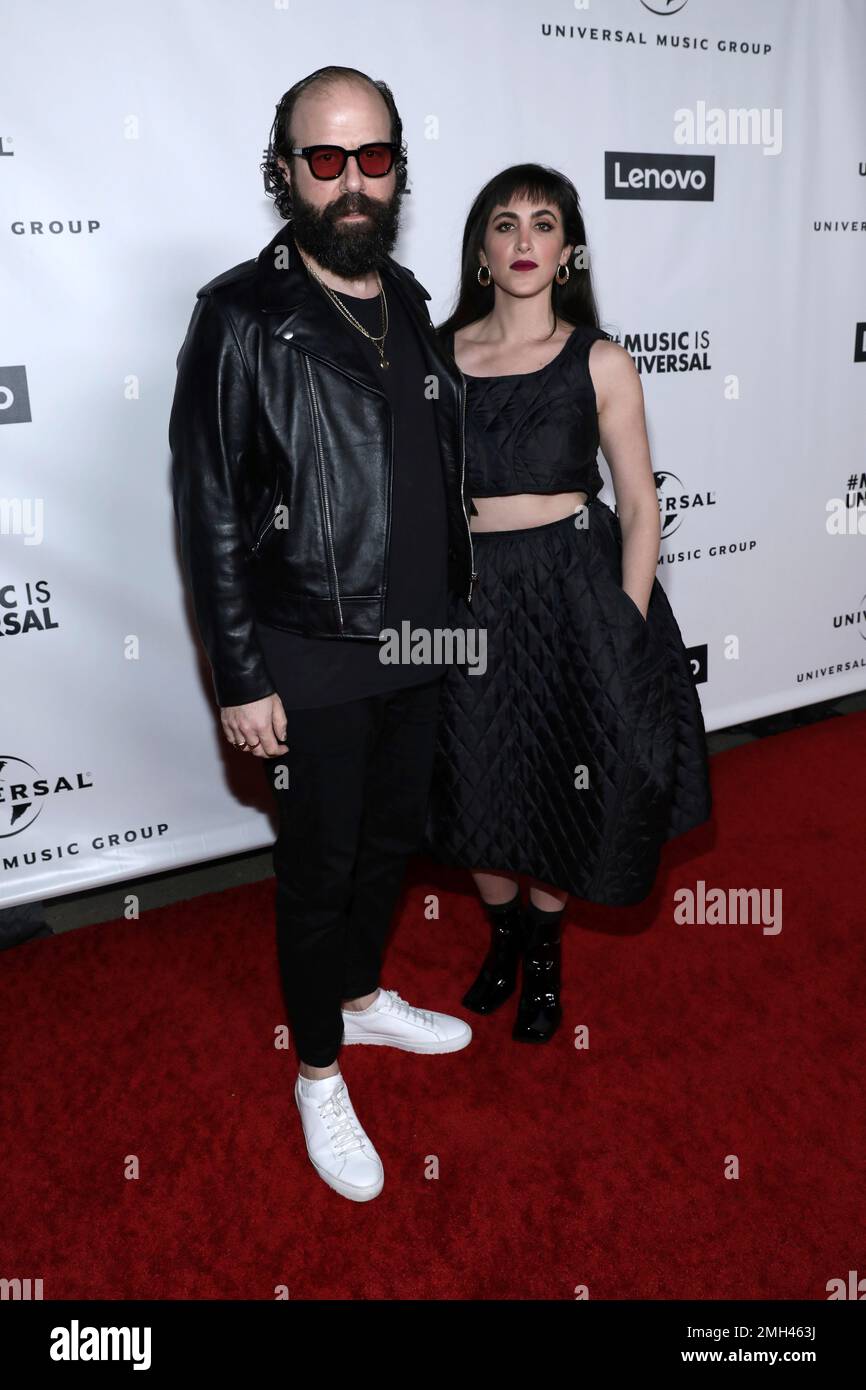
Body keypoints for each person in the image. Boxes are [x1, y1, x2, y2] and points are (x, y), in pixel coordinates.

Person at [169, 65, 476, 1203]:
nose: (352, 182)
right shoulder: (241, 317)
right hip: (306, 647)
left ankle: (358, 994)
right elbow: (205, 507)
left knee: (393, 840)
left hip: (420, 642)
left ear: (398, 167)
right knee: (318, 868)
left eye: (374, 157)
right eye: (325, 158)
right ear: (284, 171)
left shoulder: (403, 295)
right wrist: (240, 676)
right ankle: (317, 1070)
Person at [422, 164, 713, 1043]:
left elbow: (640, 503)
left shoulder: (600, 360)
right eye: (504, 224)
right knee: (470, 778)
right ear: (481, 248)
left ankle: (543, 953)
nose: (522, 242)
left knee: (561, 774)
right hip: (468, 595)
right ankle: (505, 936)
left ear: (567, 249)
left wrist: (623, 623)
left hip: (571, 589)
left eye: (542, 224)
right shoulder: (438, 355)